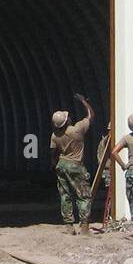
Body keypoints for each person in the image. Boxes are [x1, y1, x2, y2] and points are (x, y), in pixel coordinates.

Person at [50, 93, 95, 233]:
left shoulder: (55, 135)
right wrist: (84, 102)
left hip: (62, 165)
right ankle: (84, 226)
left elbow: (53, 153)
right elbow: (90, 116)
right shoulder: (77, 130)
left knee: (65, 195)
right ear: (66, 120)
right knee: (83, 195)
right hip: (76, 165)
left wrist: (54, 164)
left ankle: (69, 226)